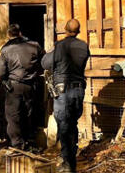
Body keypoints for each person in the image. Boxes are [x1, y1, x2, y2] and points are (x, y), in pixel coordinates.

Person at [42, 19, 89, 173]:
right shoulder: (84, 46)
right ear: (79, 30)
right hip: (79, 90)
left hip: (63, 92)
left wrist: (52, 51)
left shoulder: (60, 46)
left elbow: (45, 63)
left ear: (65, 29)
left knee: (63, 125)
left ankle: (68, 163)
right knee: (72, 122)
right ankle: (71, 156)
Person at [0, 23, 44, 150]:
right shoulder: (35, 45)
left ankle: (17, 145)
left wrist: (4, 80)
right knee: (29, 113)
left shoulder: (5, 50)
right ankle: (30, 141)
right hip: (30, 86)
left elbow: (0, 72)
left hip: (13, 87)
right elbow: (43, 62)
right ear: (20, 32)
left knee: (13, 116)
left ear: (8, 35)